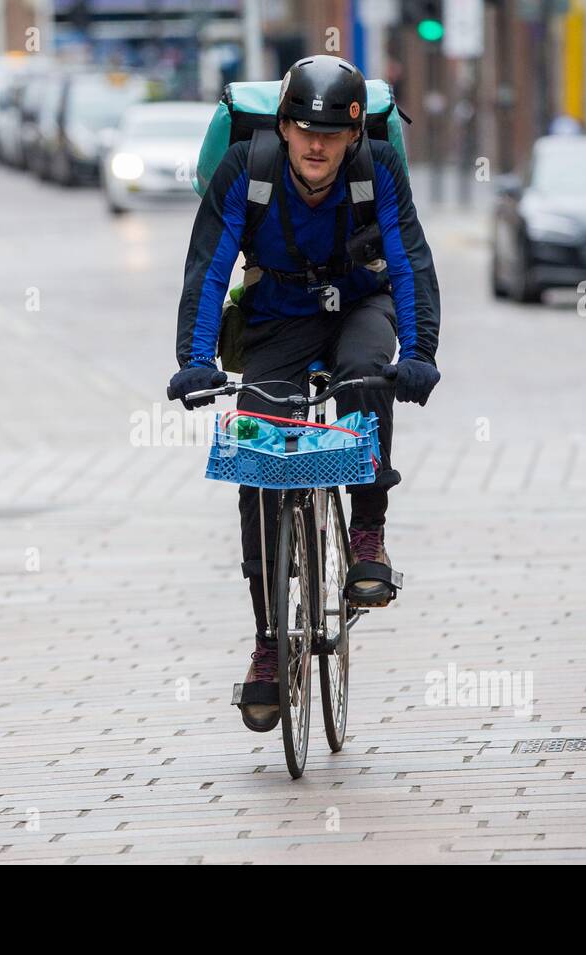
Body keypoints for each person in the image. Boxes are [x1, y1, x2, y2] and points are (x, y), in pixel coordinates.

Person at [167, 55, 441, 732]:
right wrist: (195, 360)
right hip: (278, 315)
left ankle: (368, 531)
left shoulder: (377, 169)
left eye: (332, 132)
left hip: (358, 304)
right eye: (303, 128)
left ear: (354, 136)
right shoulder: (247, 171)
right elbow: (209, 268)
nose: (316, 145)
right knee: (257, 449)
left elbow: (408, 259)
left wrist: (422, 352)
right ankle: (268, 643)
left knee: (363, 376)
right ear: (284, 127)